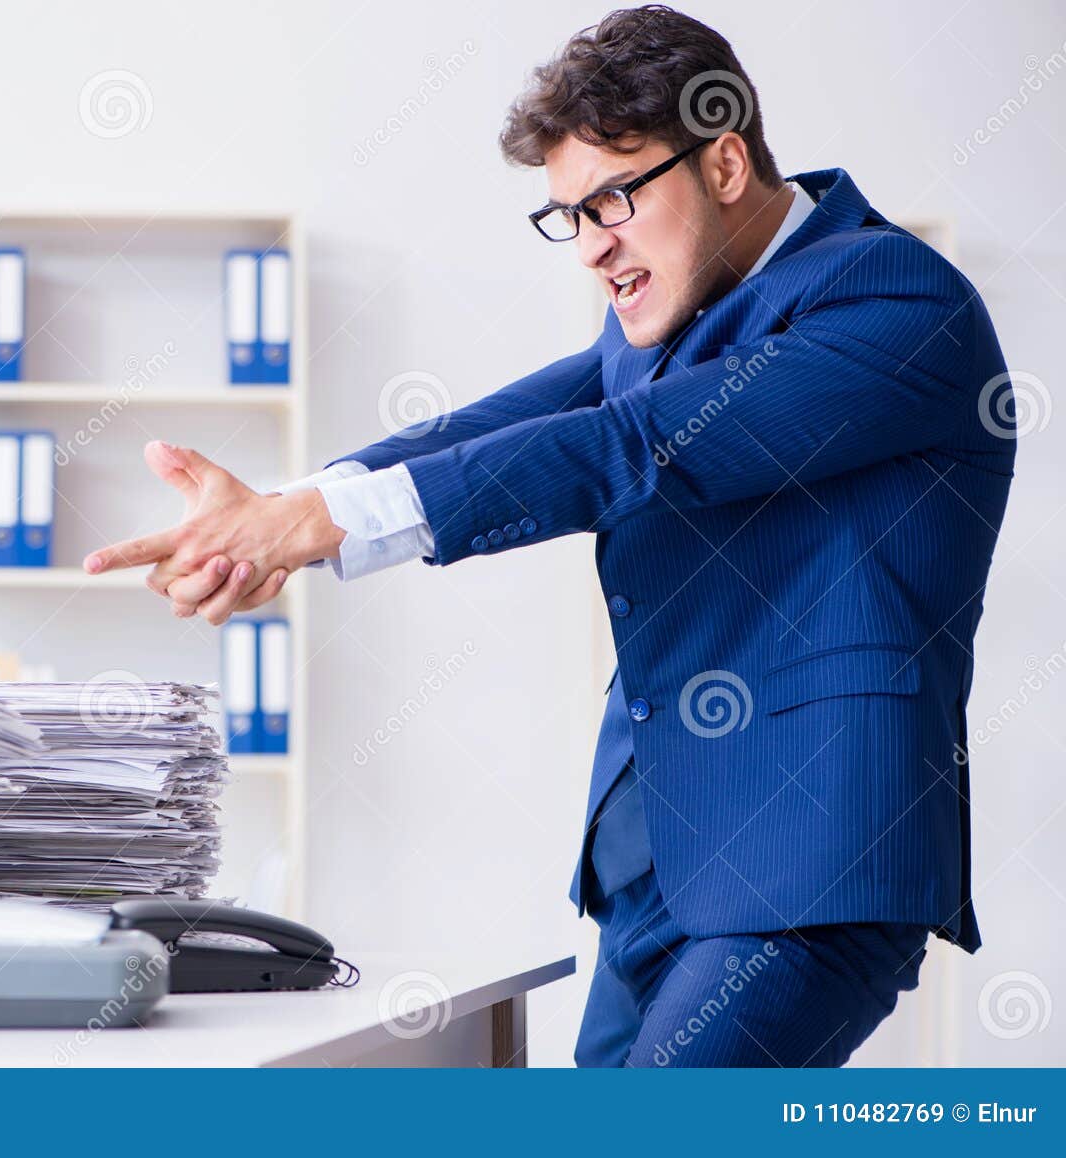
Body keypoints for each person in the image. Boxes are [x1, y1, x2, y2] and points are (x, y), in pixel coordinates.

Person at [83, 5, 1015, 1066]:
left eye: (613, 198)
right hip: (654, 857)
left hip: (810, 864)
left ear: (720, 163)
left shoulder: (897, 302)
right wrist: (280, 514)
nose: (590, 246)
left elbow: (635, 445)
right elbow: (509, 423)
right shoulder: (674, 303)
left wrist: (306, 525)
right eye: (565, 214)